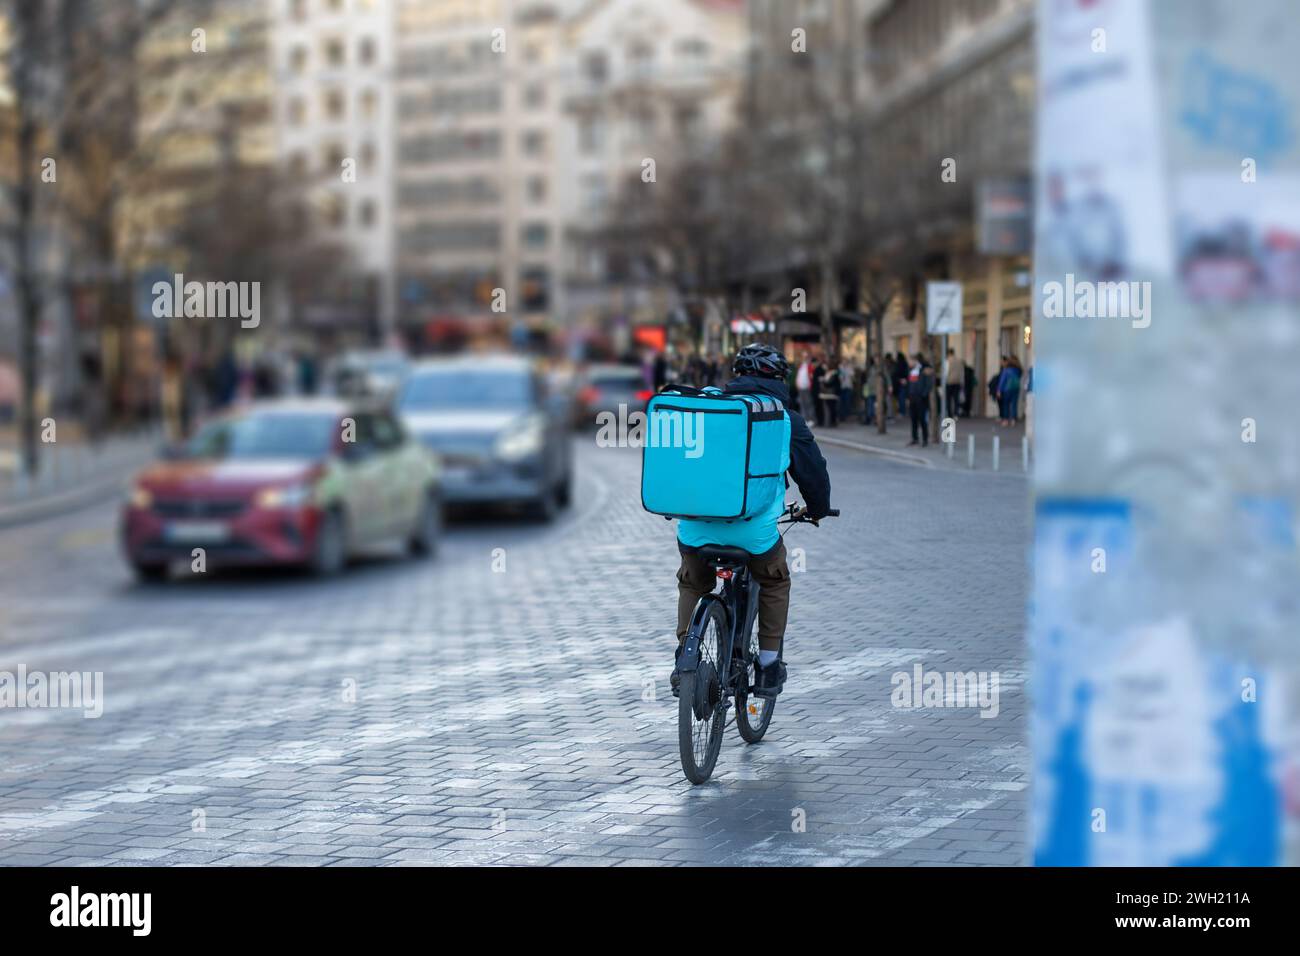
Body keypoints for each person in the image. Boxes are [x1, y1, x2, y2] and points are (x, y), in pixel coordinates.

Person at [671, 344, 832, 699]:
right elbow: (814, 474)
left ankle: (686, 654)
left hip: (695, 529)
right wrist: (818, 508)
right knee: (774, 580)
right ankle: (769, 666)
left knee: (692, 581)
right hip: (754, 534)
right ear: (778, 380)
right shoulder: (785, 419)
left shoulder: (710, 404)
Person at [907, 353, 934, 446]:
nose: (909, 363)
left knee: (922, 419)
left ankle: (925, 439)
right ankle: (915, 438)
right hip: (912, 398)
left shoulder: (923, 370)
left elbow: (929, 383)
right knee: (913, 419)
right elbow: (910, 383)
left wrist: (923, 394)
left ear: (915, 361)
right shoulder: (911, 371)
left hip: (921, 398)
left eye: (910, 361)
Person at [997, 356, 1023, 426]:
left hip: (1007, 389)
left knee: (1006, 405)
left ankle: (1006, 420)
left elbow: (1002, 380)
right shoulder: (1018, 370)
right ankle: (1013, 420)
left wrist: (999, 390)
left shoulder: (1006, 370)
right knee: (1014, 404)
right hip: (1016, 388)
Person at [794, 353, 816, 424]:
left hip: (807, 387)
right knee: (802, 404)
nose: (805, 359)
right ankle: (805, 419)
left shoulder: (810, 366)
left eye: (806, 358)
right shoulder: (801, 366)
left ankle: (811, 419)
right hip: (801, 388)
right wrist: (797, 383)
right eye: (804, 358)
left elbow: (811, 377)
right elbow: (799, 376)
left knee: (809, 403)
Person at [944, 349, 964, 423]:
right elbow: (962, 372)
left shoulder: (947, 361)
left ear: (949, 353)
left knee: (948, 399)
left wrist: (944, 382)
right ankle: (956, 414)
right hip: (957, 382)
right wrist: (962, 382)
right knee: (956, 399)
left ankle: (950, 415)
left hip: (949, 382)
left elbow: (945, 372)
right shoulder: (959, 361)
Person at [818, 362, 841, 428]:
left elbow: (830, 383)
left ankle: (833, 422)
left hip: (832, 394)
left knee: (832, 408)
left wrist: (823, 382)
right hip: (827, 394)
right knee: (829, 408)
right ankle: (830, 421)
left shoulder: (834, 374)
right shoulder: (829, 373)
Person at [893, 352, 910, 418]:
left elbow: (898, 373)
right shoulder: (904, 364)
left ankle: (902, 412)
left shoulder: (900, 364)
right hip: (902, 382)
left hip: (902, 382)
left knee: (901, 398)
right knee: (901, 398)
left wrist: (901, 379)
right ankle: (902, 411)